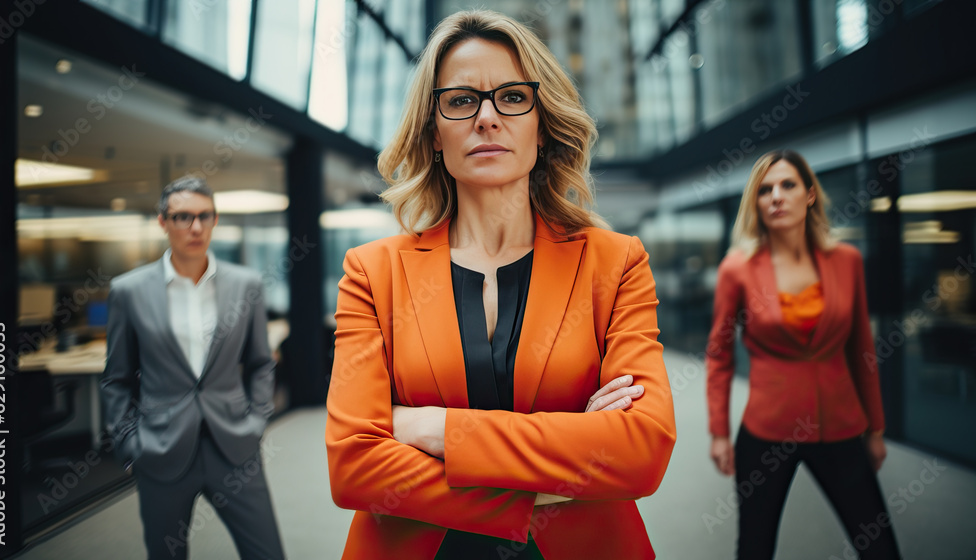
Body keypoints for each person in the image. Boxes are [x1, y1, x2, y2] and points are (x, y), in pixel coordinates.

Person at [325, 10, 676, 560]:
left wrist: (433, 427)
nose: (487, 118)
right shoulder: (373, 272)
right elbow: (354, 467)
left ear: (543, 125)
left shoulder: (616, 262)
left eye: (512, 97)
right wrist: (549, 476)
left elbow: (641, 450)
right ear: (434, 133)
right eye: (461, 101)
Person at [705, 150, 901, 559]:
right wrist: (719, 432)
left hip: (842, 427)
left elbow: (862, 347)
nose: (776, 196)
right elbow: (719, 356)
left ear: (809, 194)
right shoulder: (738, 268)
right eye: (765, 190)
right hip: (767, 431)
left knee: (880, 547)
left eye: (788, 185)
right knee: (755, 548)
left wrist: (876, 429)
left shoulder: (846, 261)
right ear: (756, 203)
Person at [101, 176, 285, 559]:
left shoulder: (246, 284)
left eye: (205, 216)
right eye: (183, 216)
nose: (196, 227)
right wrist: (129, 444)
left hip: (234, 446)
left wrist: (256, 423)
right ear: (162, 222)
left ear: (215, 220)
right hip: (161, 448)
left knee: (266, 552)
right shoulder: (129, 291)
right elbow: (117, 378)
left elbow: (259, 364)